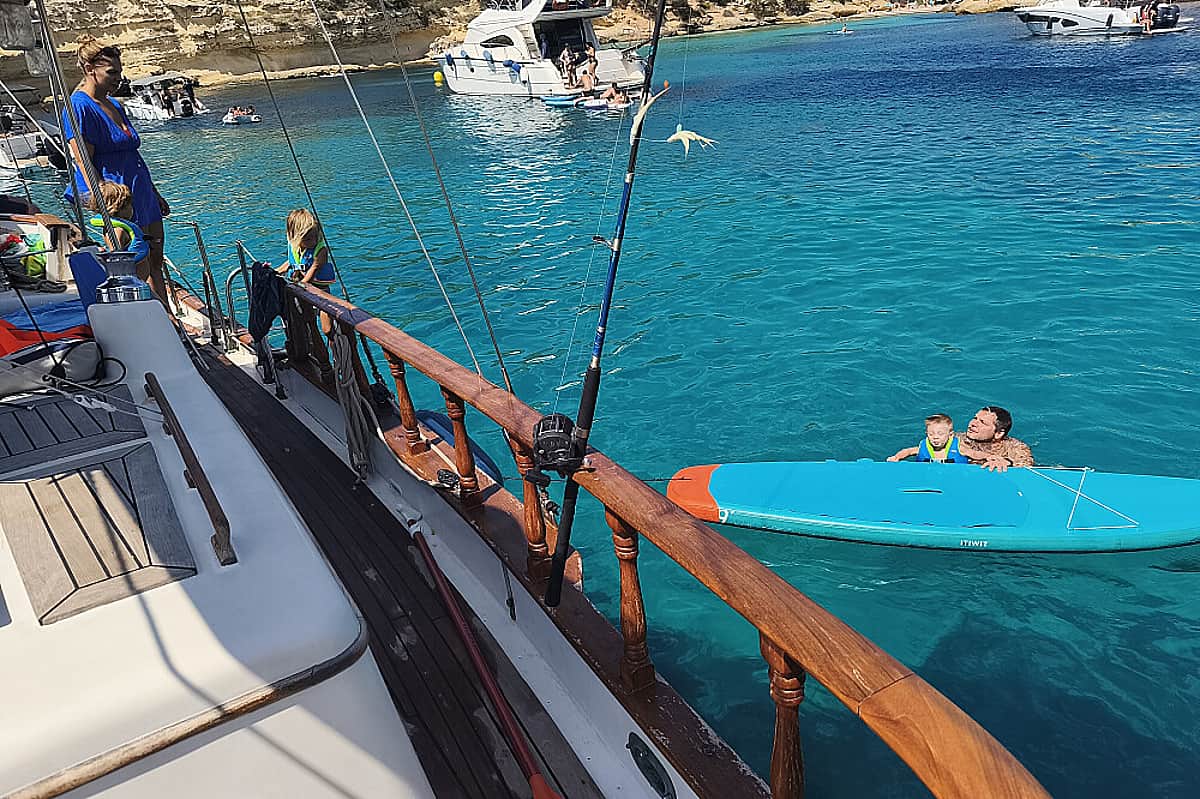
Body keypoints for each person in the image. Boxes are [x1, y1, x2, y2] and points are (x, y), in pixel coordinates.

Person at [62, 39, 170, 301]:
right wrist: (103, 198)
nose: (118, 78)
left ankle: (166, 316)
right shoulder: (78, 106)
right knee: (133, 263)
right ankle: (147, 315)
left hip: (140, 188)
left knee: (156, 259)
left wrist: (154, 193)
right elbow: (82, 160)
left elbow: (133, 153)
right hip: (117, 195)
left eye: (119, 72)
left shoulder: (115, 104)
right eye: (112, 72)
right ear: (90, 69)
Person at [87, 181, 149, 264]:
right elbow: (116, 257)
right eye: (129, 205)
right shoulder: (117, 230)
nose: (132, 208)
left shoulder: (120, 227)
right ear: (118, 207)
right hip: (132, 274)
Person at [887, 413, 988, 464]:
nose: (935, 437)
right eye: (931, 434)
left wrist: (988, 457)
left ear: (950, 434)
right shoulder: (923, 447)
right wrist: (897, 457)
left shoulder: (959, 448)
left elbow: (974, 454)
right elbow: (908, 451)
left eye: (940, 434)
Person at [958, 406, 1034, 472]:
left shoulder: (1014, 447)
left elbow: (1026, 466)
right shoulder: (959, 438)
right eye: (975, 418)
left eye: (982, 422)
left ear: (999, 433)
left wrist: (1008, 463)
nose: (973, 423)